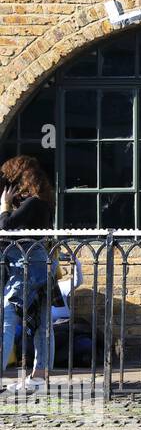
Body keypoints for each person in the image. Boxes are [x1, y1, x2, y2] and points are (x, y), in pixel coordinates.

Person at [0, 157, 54, 396]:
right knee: (42, 323)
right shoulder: (42, 202)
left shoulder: (32, 203)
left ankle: (36, 375)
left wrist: (5, 205)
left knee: (7, 317)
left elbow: (5, 226)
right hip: (38, 264)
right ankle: (39, 376)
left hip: (27, 266)